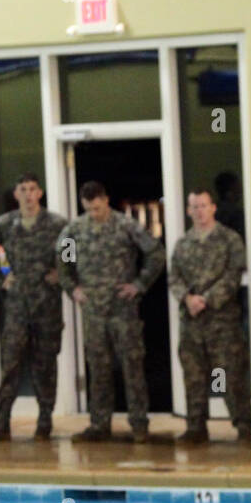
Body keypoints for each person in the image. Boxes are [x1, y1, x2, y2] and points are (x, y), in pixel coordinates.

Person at [56, 181, 165, 442]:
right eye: (89, 209)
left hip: (122, 310)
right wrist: (73, 289)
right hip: (93, 311)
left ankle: (139, 425)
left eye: (97, 208)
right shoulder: (74, 231)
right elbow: (63, 262)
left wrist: (139, 285)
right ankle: (99, 424)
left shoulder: (126, 226)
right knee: (99, 368)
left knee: (132, 366)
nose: (94, 214)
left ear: (105, 200)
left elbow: (155, 254)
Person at [0, 173, 67, 441]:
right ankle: (0, 422)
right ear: (16, 195)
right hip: (17, 307)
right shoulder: (5, 224)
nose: (27, 194)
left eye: (32, 189)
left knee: (45, 366)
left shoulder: (57, 224)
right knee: (10, 365)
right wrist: (0, 279)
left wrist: (62, 273)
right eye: (22, 189)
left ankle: (45, 420)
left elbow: (72, 249)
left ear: (40, 193)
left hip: (47, 306)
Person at [169, 189, 251, 443]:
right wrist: (187, 298)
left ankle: (242, 425)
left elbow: (234, 274)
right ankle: (196, 426)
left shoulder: (229, 239)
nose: (199, 211)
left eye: (203, 206)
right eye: (194, 206)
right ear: (188, 210)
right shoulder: (183, 244)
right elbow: (174, 277)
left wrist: (206, 299)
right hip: (192, 323)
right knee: (194, 376)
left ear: (213, 207)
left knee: (227, 375)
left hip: (222, 322)